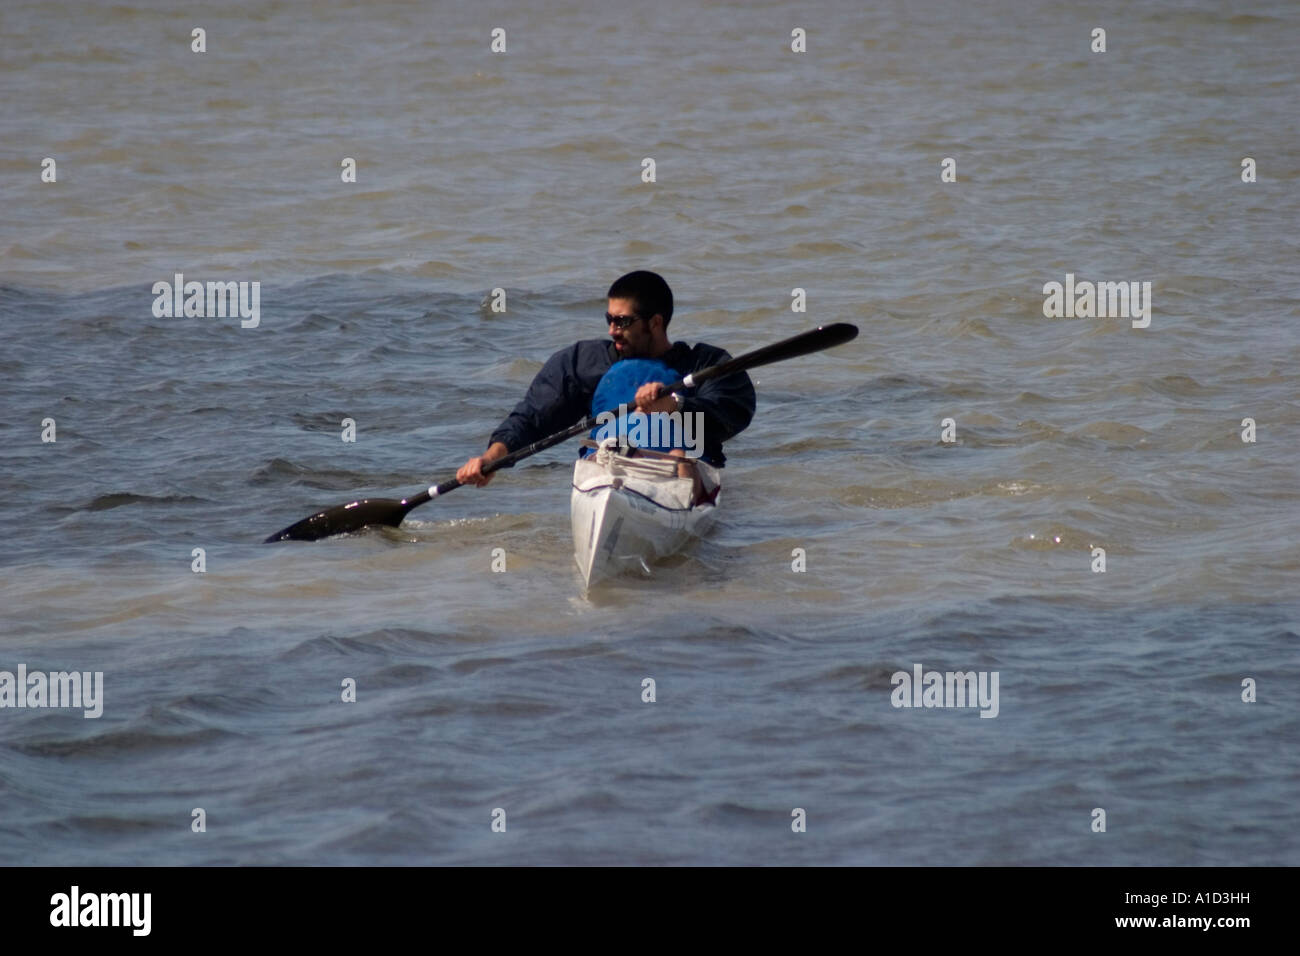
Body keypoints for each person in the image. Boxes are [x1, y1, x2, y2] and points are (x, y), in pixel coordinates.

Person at [456, 270, 755, 488]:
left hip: (679, 473)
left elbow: (732, 412)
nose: (612, 330)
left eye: (622, 321)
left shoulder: (705, 364)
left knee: (680, 457)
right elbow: (533, 416)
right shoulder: (582, 363)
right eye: (609, 319)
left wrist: (674, 406)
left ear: (655, 323)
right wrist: (493, 457)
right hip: (608, 470)